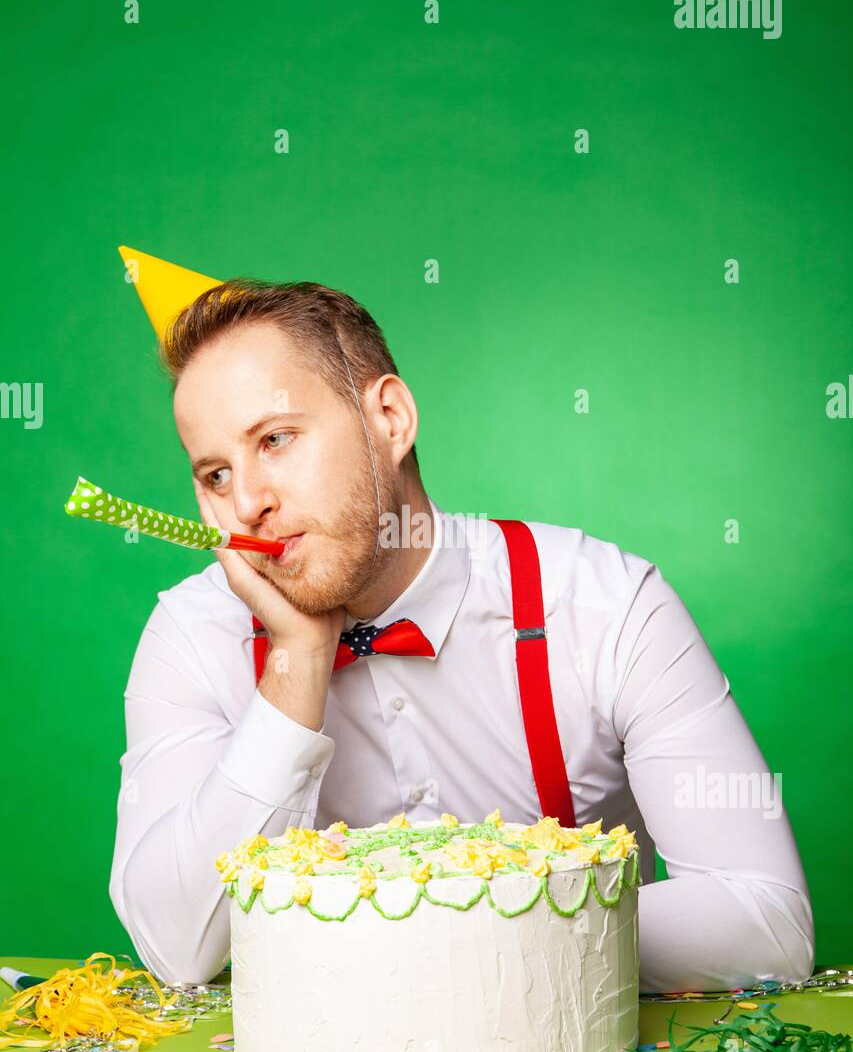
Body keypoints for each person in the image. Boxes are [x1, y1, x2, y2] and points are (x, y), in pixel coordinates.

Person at [109, 249, 816, 989]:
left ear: (390, 417)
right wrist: (295, 668)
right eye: (215, 474)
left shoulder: (604, 605)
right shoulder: (192, 635)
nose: (247, 500)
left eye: (275, 440)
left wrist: (454, 932)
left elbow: (767, 922)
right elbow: (176, 948)